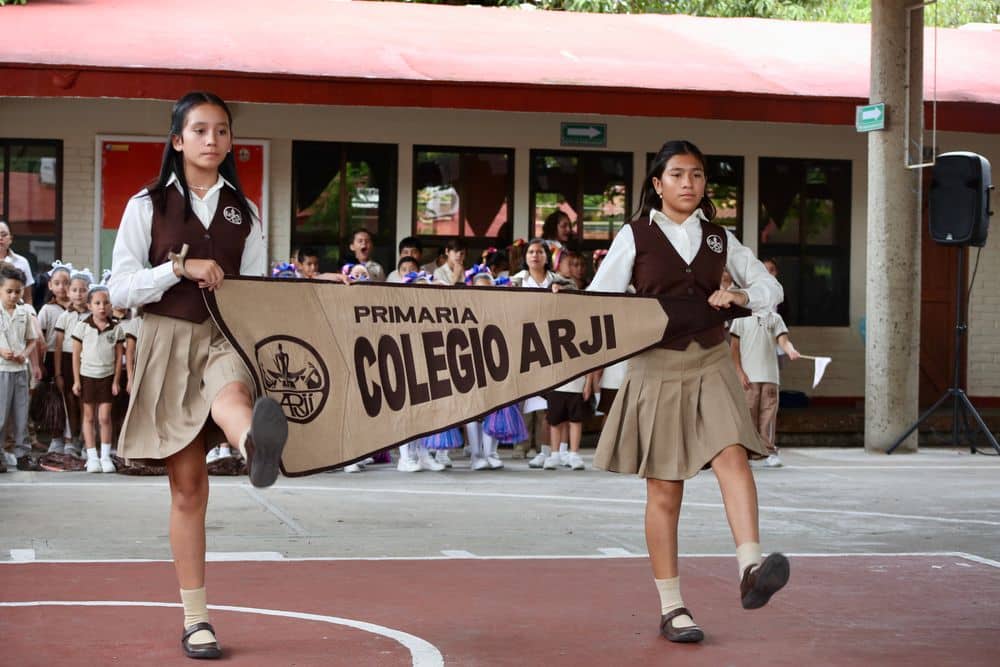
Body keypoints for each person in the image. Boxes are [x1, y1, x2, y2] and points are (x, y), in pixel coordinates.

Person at [108, 91, 288, 660]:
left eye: (222, 131)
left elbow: (258, 290)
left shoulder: (246, 211)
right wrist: (177, 268)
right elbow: (117, 290)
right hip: (167, 339)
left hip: (224, 335)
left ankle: (253, 442)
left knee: (232, 390)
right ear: (178, 140)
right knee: (188, 491)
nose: (212, 140)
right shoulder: (145, 204)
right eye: (201, 130)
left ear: (230, 141)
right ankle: (196, 621)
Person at [588, 139, 787, 644]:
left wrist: (741, 294)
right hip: (654, 367)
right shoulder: (633, 236)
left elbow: (770, 288)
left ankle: (750, 568)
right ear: (658, 184)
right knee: (665, 490)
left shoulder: (721, 239)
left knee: (733, 456)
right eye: (677, 175)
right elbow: (600, 301)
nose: (688, 184)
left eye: (697, 175)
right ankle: (672, 606)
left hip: (712, 359)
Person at [730, 311, 800, 468]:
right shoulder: (740, 318)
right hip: (748, 377)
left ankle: (768, 452)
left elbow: (783, 341)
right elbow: (734, 348)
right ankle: (749, 453)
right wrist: (739, 372)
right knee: (748, 415)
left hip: (770, 376)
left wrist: (790, 350)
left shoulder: (776, 318)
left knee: (768, 416)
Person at [71, 283, 125, 474]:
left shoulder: (116, 329)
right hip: (87, 377)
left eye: (106, 303)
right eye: (97, 303)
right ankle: (92, 456)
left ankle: (105, 455)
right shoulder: (83, 327)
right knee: (88, 417)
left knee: (104, 417)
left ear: (111, 305)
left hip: (107, 378)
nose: (102, 307)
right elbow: (76, 356)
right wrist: (77, 381)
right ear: (89, 306)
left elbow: (119, 358)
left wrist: (116, 381)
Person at [0, 264, 39, 471]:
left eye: (18, 291)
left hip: (20, 371)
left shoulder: (24, 312)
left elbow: (32, 340)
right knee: (1, 415)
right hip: (2, 370)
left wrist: (24, 354)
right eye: (9, 291)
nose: (13, 296)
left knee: (21, 414)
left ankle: (23, 455)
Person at [54, 267, 93, 459]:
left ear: (88, 291)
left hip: (88, 362)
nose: (78, 294)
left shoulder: (92, 315)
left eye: (83, 290)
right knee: (69, 401)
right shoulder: (64, 316)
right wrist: (58, 373)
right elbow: (59, 347)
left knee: (85, 402)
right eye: (75, 290)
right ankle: (71, 439)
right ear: (69, 292)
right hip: (69, 362)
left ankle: (87, 440)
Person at [36, 261, 73, 453]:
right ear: (50, 285)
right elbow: (38, 339)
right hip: (51, 357)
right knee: (55, 401)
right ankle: (56, 438)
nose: (62, 287)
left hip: (73, 357)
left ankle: (72, 439)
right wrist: (39, 364)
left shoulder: (77, 310)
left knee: (72, 398)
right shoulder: (47, 310)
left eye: (66, 282)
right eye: (57, 283)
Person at [0, 222, 36, 305]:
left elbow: (27, 297)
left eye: (4, 235)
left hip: (17, 312)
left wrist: (30, 314)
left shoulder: (22, 262)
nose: (0, 238)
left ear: (10, 239)